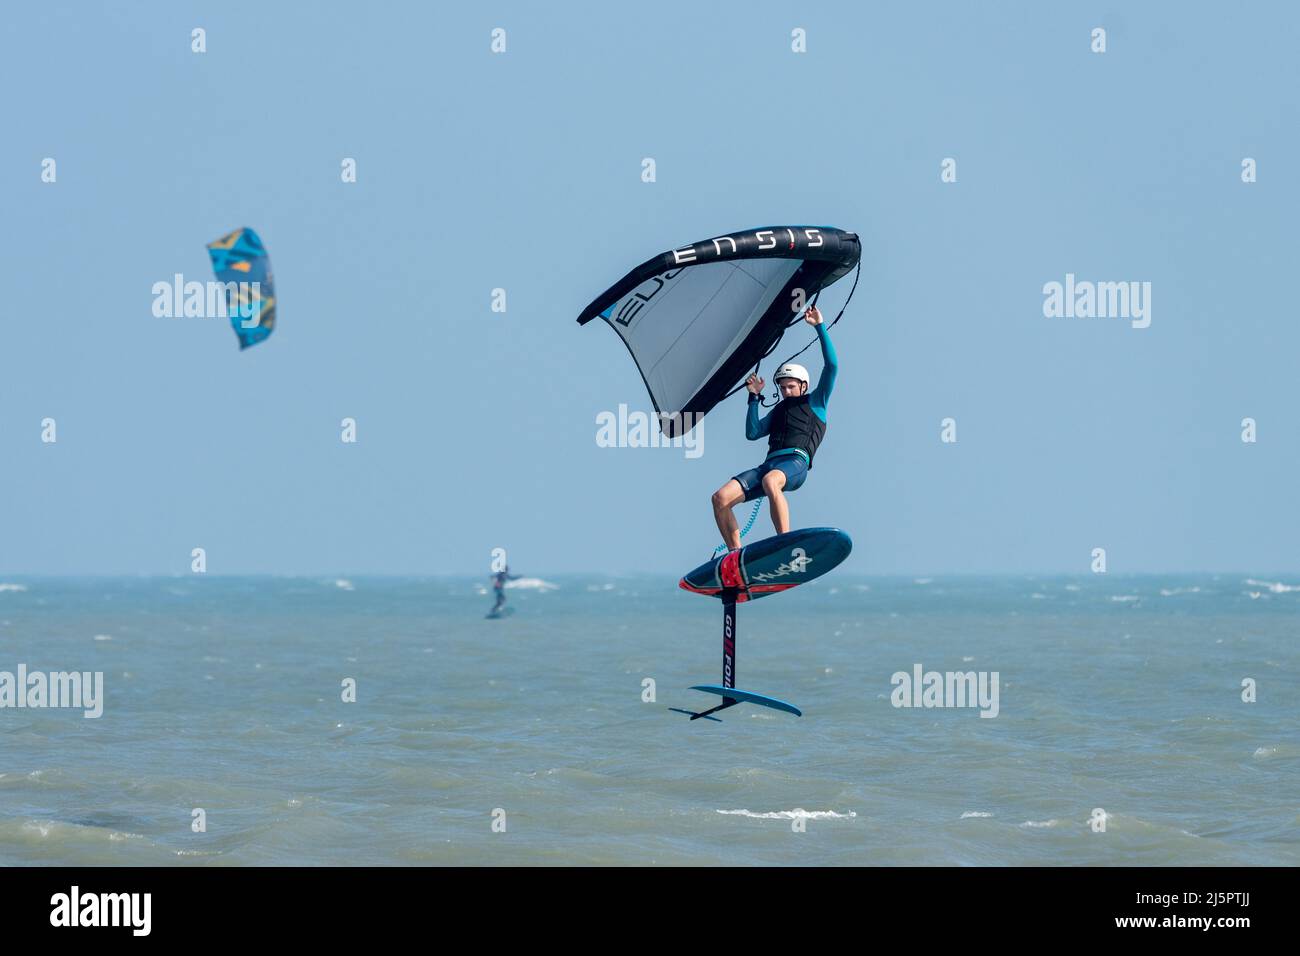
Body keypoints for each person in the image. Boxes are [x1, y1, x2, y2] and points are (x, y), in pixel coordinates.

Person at [711, 305, 837, 551]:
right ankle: (735, 555)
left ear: (803, 386)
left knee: (771, 481)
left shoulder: (816, 401)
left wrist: (819, 326)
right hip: (769, 465)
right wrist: (753, 398)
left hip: (795, 465)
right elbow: (753, 432)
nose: (786, 391)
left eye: (791, 386)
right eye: (782, 388)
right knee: (720, 498)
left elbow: (831, 367)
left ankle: (785, 541)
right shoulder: (779, 411)